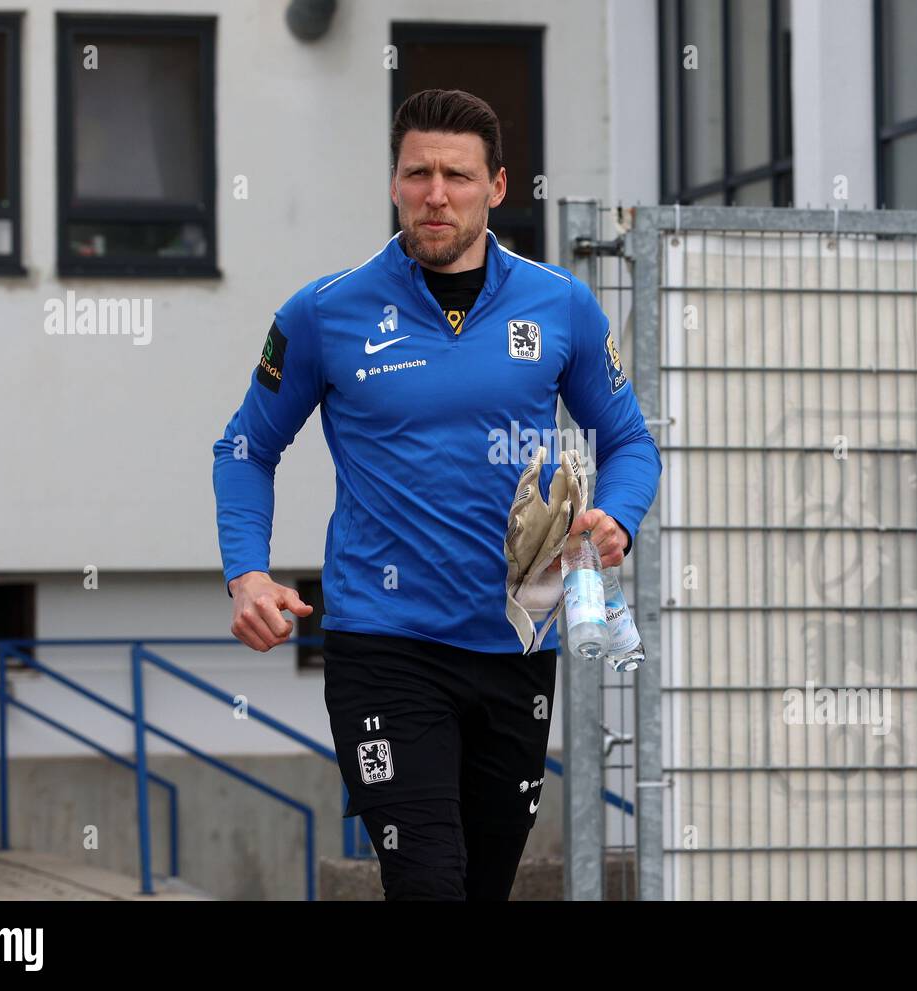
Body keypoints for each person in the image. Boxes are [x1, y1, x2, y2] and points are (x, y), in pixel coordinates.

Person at [212, 89, 661, 900]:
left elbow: (629, 442)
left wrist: (615, 519)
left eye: (457, 175)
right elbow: (246, 449)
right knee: (427, 881)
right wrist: (247, 572)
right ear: (394, 184)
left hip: (514, 648)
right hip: (384, 644)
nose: (436, 193)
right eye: (417, 173)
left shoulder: (558, 303)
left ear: (496, 186)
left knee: (480, 886)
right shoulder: (324, 312)